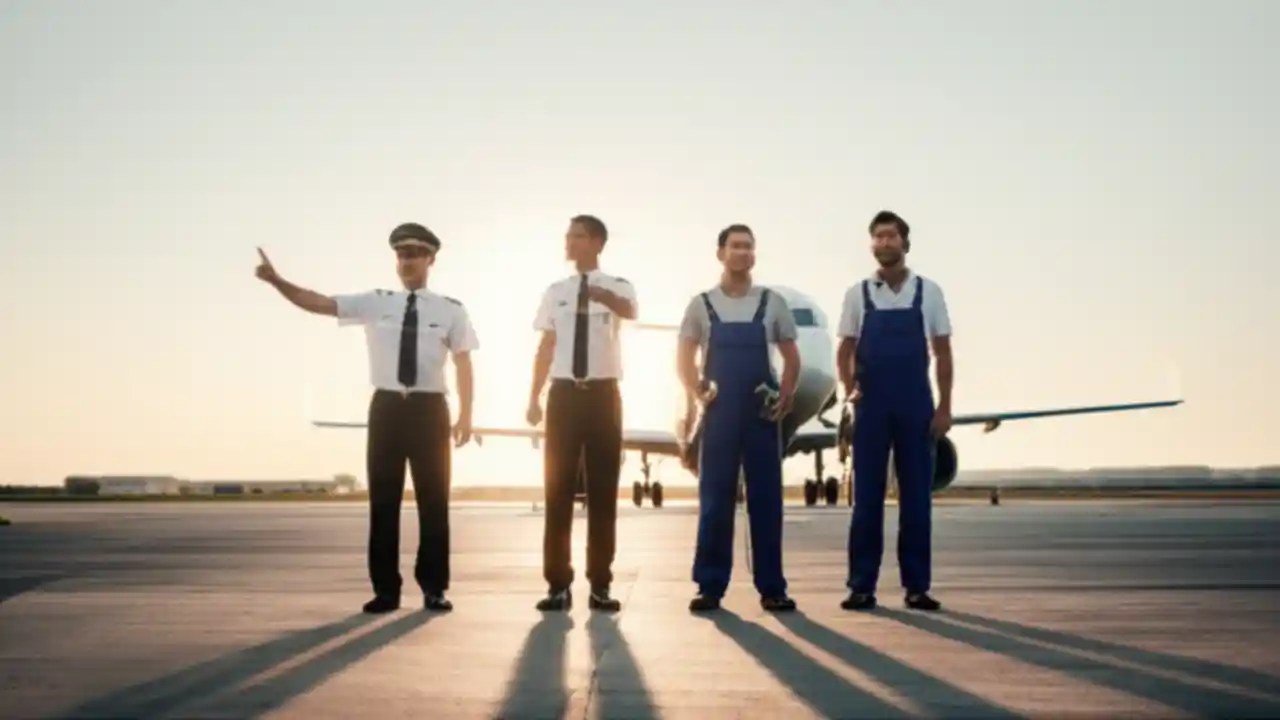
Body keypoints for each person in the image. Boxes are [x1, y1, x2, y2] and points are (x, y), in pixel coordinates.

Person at [254, 222, 477, 614]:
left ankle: (434, 588)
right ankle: (386, 591)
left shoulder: (451, 310)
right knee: (384, 502)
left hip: (429, 410)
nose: (405, 261)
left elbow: (463, 363)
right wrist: (277, 282)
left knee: (434, 502)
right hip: (388, 408)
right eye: (400, 254)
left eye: (413, 254)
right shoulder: (377, 302)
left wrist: (466, 415)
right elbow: (319, 302)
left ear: (430, 259)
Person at [676, 223, 800, 612]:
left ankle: (772, 587)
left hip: (761, 414)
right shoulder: (701, 304)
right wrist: (698, 390)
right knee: (715, 500)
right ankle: (710, 586)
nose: (743, 253)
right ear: (721, 253)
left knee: (767, 501)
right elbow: (684, 357)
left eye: (749, 247)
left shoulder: (772, 302)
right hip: (720, 413)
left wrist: (786, 395)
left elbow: (792, 357)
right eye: (736, 246)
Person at [836, 210, 952, 612]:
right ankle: (861, 586)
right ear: (872, 245)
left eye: (892, 236)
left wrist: (945, 407)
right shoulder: (858, 294)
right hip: (871, 407)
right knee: (866, 501)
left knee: (916, 500)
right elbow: (845, 348)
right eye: (878, 237)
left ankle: (916, 587)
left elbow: (942, 351)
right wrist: (850, 390)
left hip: (916, 405)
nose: (885, 243)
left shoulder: (928, 292)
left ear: (905, 243)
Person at [526, 214, 636, 612]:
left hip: (603, 397)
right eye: (568, 236)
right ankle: (558, 584)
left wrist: (599, 295)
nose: (568, 242)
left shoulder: (618, 286)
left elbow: (631, 310)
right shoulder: (556, 291)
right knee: (557, 494)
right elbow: (547, 345)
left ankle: (600, 585)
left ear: (596, 243)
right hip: (564, 397)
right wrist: (534, 396)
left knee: (603, 495)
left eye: (576, 236)